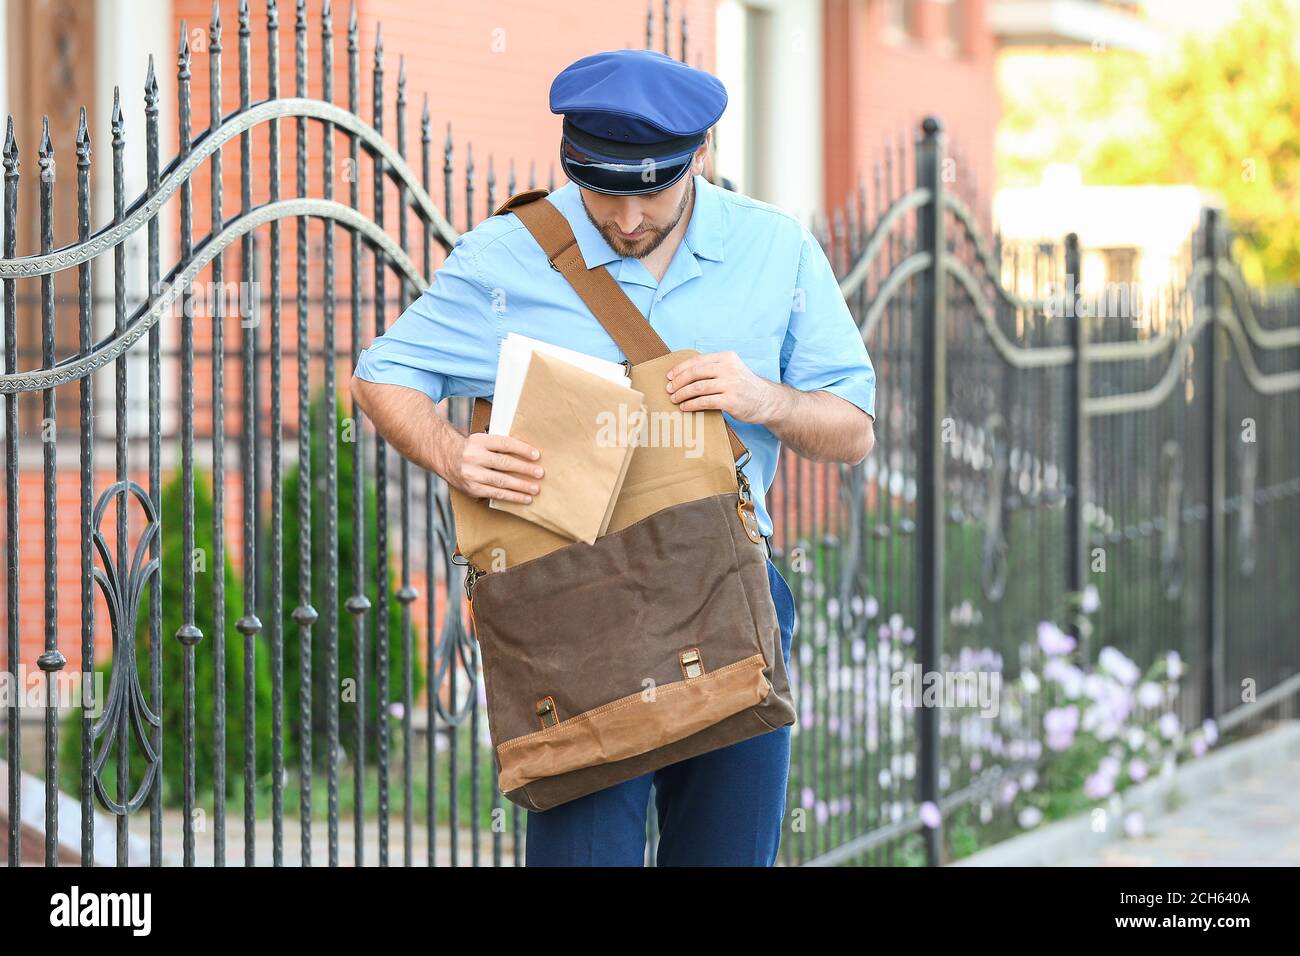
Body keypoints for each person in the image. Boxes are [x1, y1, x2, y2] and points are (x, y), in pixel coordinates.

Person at [350, 48, 876, 866]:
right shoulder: (507, 256)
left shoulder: (776, 250)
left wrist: (763, 398)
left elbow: (853, 430)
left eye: (651, 193)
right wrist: (454, 454)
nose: (627, 221)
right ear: (571, 165)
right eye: (603, 194)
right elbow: (382, 375)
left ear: (700, 157)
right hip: (570, 607)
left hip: (727, 597)